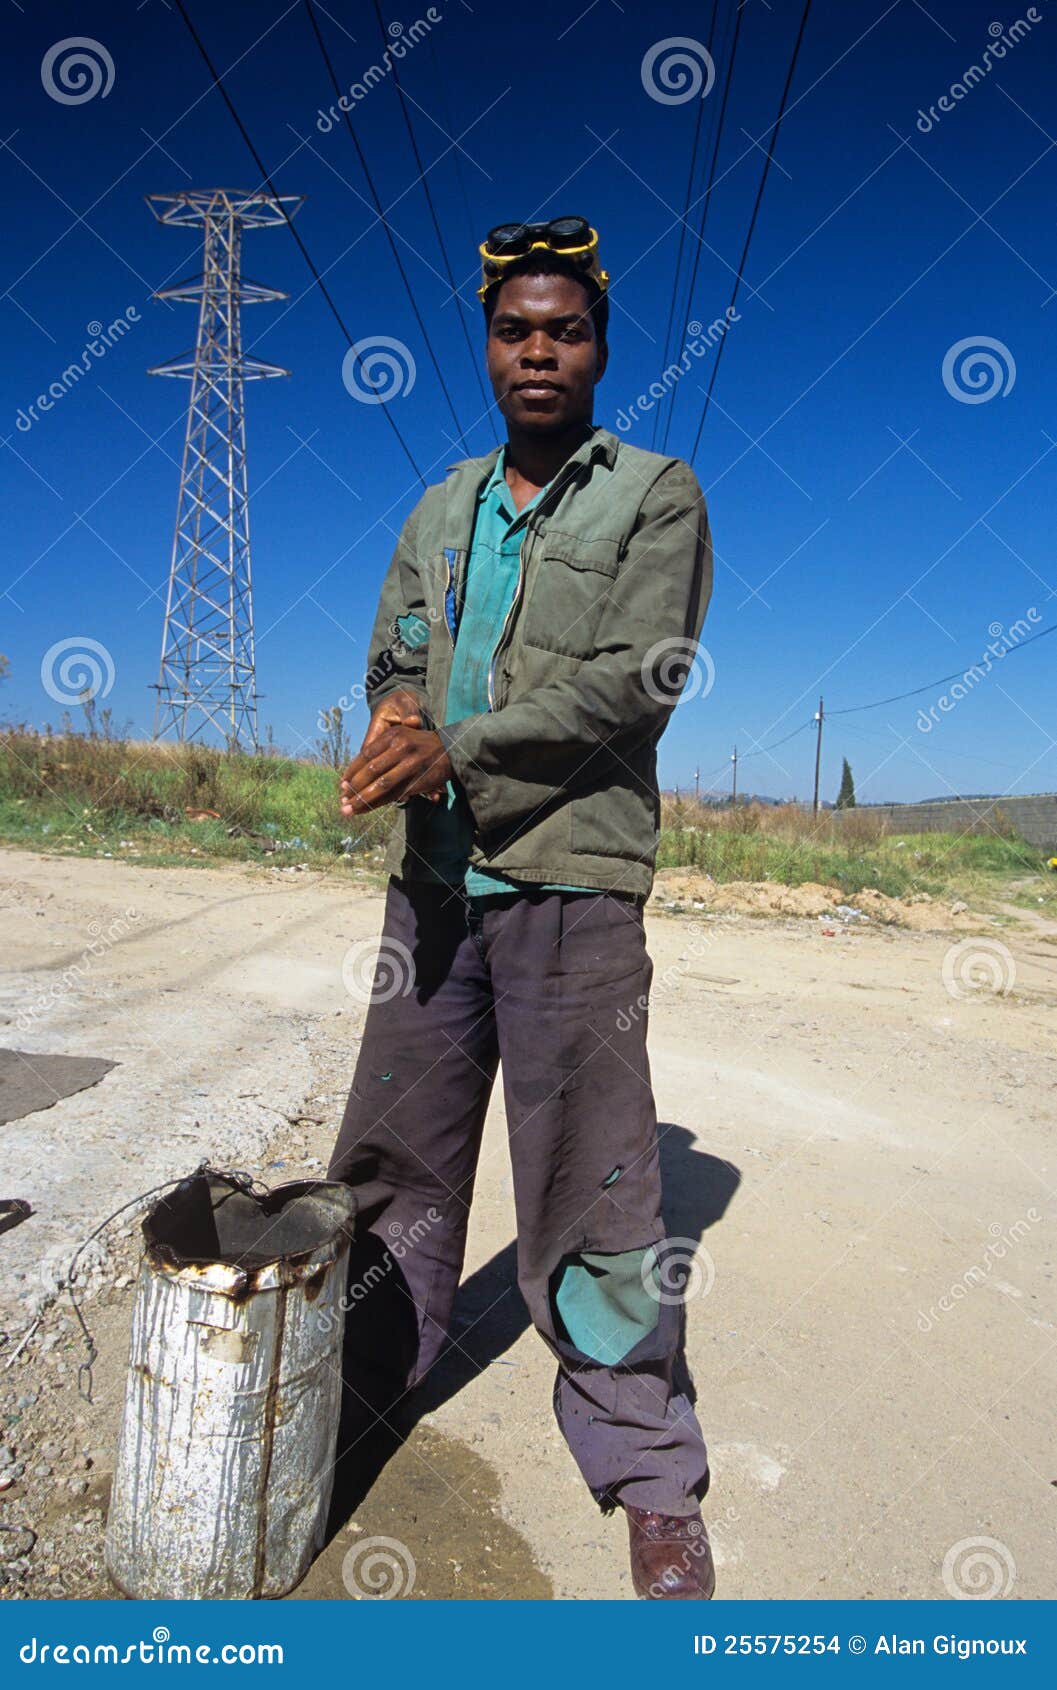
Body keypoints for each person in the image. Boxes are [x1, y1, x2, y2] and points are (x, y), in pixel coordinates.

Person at [329, 215, 715, 1598]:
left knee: (596, 1184)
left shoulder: (653, 494)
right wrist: (391, 716)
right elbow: (396, 647)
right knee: (391, 1168)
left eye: (563, 329)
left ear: (601, 347)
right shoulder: (441, 506)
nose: (537, 350)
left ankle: (645, 1463)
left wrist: (462, 749)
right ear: (485, 346)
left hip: (574, 886)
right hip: (432, 889)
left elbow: (639, 677)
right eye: (513, 329)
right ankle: (362, 1386)